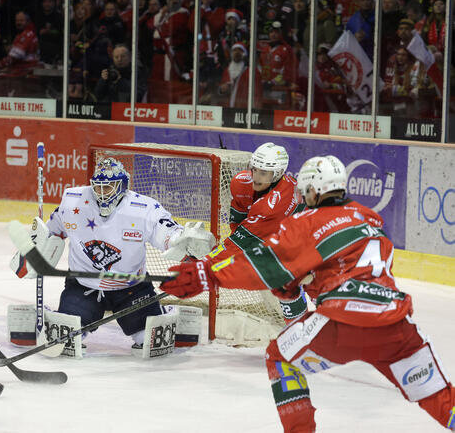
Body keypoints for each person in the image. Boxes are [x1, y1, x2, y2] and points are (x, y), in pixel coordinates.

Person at [161, 155, 455, 431]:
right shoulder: (369, 218)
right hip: (395, 325)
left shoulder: (309, 222)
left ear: (314, 190)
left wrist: (206, 274)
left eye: (307, 192)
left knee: (280, 356)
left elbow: (265, 264)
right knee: (438, 396)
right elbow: (348, 267)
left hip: (342, 324)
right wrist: (301, 286)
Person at [14, 158, 215, 353]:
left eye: (107, 187)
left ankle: (168, 314)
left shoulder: (142, 208)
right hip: (84, 286)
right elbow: (53, 231)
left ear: (121, 186)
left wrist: (181, 240)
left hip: (131, 289)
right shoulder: (74, 202)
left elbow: (166, 232)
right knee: (66, 341)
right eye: (97, 187)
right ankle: (48, 316)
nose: (101, 193)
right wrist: (36, 249)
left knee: (149, 340)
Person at [219, 142, 305, 323]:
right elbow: (238, 226)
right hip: (273, 233)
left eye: (263, 173)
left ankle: (301, 328)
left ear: (278, 174)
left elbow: (240, 242)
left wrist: (206, 263)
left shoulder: (275, 202)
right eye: (254, 170)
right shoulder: (241, 183)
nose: (256, 177)